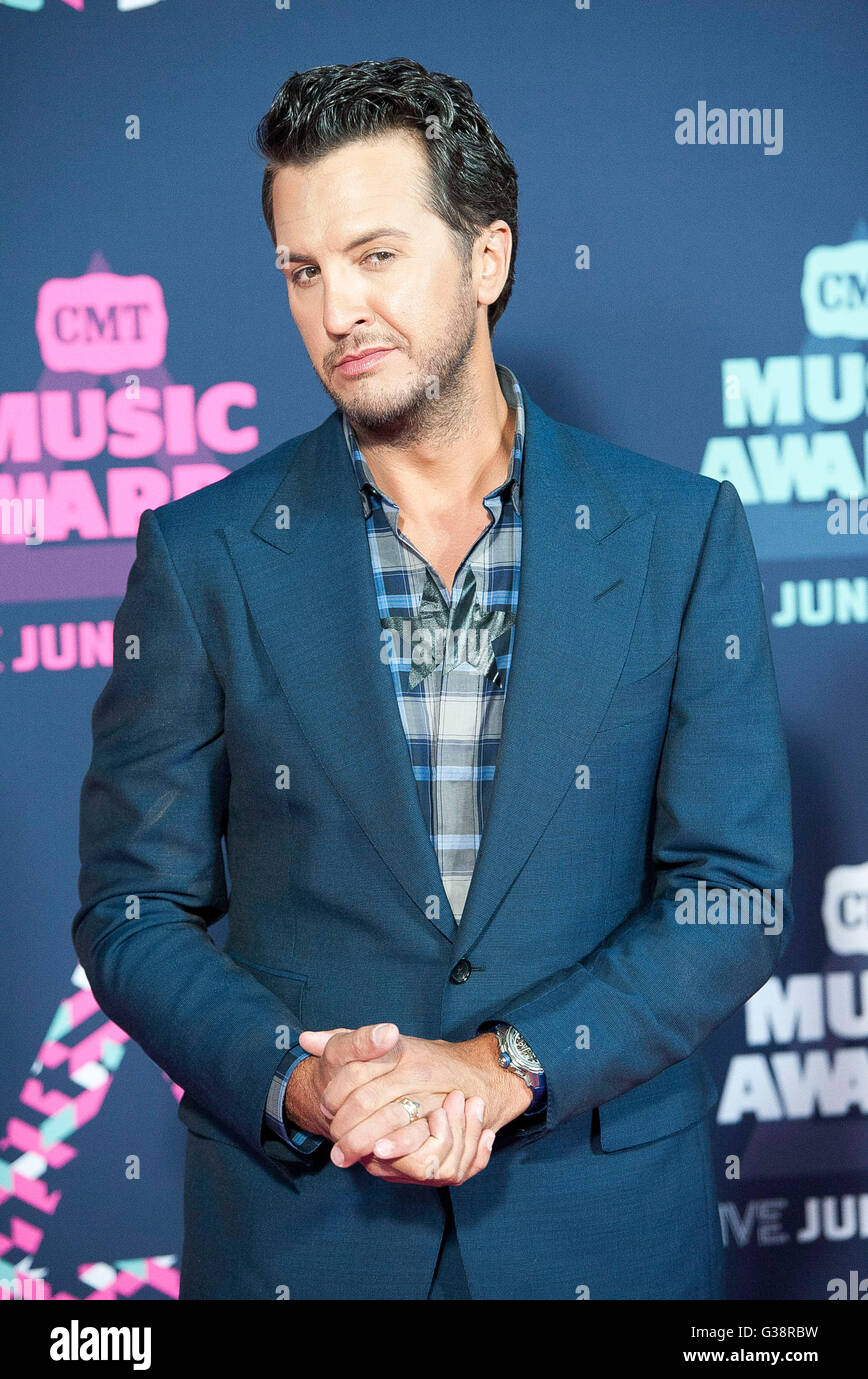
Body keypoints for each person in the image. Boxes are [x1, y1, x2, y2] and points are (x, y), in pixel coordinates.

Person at [73, 57, 793, 1300]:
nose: (336, 308)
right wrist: (297, 1079)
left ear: (489, 259)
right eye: (303, 271)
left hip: (601, 1227)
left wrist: (506, 1062)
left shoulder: (678, 535)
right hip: (301, 1232)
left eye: (375, 255)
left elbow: (731, 887)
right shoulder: (201, 555)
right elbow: (132, 908)